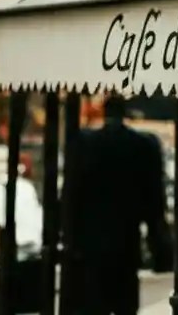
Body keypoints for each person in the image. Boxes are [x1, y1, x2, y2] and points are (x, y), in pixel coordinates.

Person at [72, 95, 172, 315]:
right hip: (126, 239)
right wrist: (159, 242)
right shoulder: (141, 145)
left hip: (93, 242)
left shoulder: (86, 144)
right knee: (124, 304)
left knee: (95, 303)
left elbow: (73, 194)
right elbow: (154, 199)